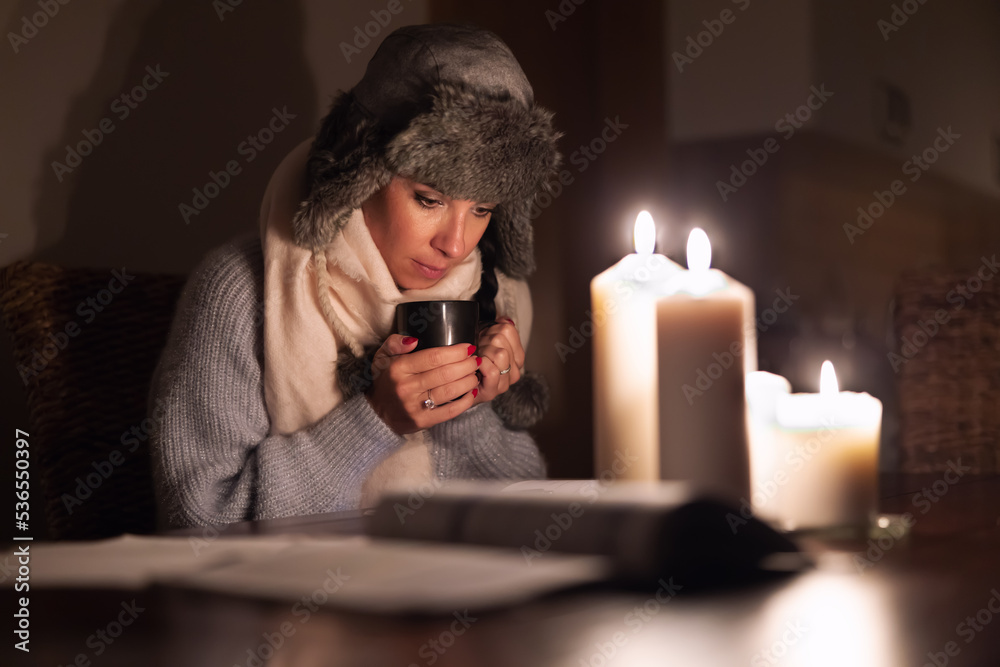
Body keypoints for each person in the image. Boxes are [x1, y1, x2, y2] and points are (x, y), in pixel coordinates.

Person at [148, 23, 562, 528]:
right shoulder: (241, 293)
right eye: (429, 199)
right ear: (359, 175)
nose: (455, 244)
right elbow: (199, 525)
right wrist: (377, 418)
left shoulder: (493, 294)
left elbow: (529, 520)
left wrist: (463, 400)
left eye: (482, 209)